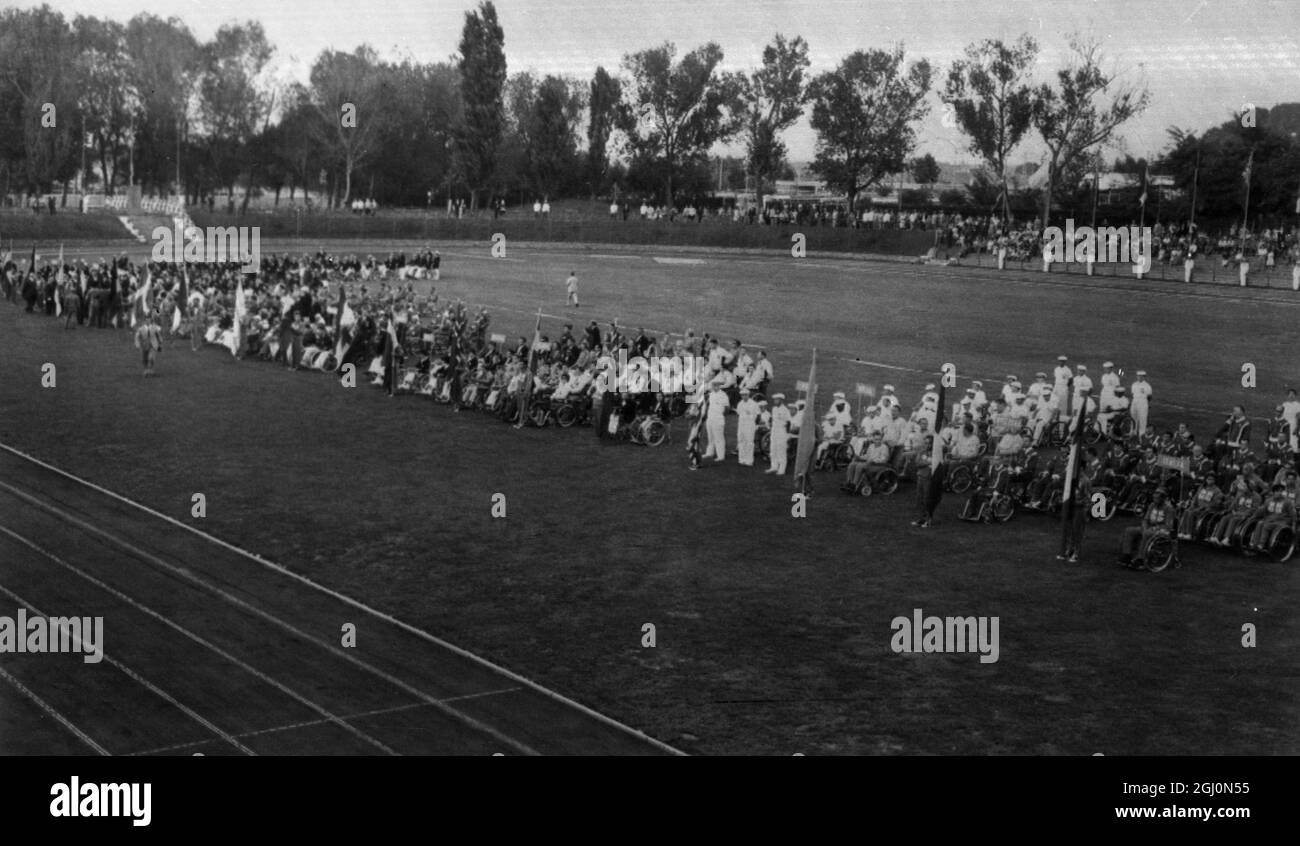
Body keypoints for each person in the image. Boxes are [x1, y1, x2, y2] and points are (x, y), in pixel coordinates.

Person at [1118, 488, 1176, 568]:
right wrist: (1145, 527)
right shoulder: (1152, 505)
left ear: (1163, 498)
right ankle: (1127, 555)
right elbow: (1145, 519)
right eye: (1154, 497)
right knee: (1129, 530)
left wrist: (1155, 528)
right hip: (1149, 527)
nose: (1155, 499)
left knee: (1147, 533)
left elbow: (1168, 526)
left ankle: (1141, 558)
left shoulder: (1169, 509)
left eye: (1157, 498)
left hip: (1162, 531)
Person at [703, 381, 730, 462]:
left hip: (718, 418)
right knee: (710, 437)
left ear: (719, 386)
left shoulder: (723, 395)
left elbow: (727, 408)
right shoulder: (711, 394)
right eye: (714, 385)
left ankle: (721, 456)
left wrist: (721, 415)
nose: (715, 387)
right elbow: (708, 405)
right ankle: (709, 453)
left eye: (717, 386)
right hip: (710, 417)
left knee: (719, 438)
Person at [766, 394, 791, 475]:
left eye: (777, 400)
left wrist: (786, 434)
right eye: (774, 400)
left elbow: (788, 422)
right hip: (774, 430)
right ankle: (774, 466)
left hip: (782, 430)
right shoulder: (774, 409)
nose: (775, 401)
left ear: (781, 400)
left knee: (781, 450)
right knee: (773, 449)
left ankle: (782, 469)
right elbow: (772, 419)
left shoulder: (785, 410)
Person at [735, 388, 761, 466]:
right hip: (741, 425)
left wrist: (755, 425)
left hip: (750, 425)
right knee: (741, 441)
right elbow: (739, 413)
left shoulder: (753, 404)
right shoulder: (740, 404)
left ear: (748, 395)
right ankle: (742, 459)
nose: (744, 397)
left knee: (749, 442)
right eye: (742, 395)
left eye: (745, 395)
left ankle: (749, 460)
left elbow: (758, 415)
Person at [134, 312, 163, 377]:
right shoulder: (141, 328)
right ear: (144, 320)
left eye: (149, 319)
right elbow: (137, 336)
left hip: (153, 345)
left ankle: (150, 369)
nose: (148, 320)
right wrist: (137, 344)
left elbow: (158, 335)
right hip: (144, 345)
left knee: (151, 357)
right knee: (144, 358)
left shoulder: (154, 327)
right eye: (146, 319)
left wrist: (160, 341)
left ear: (151, 320)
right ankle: (146, 370)